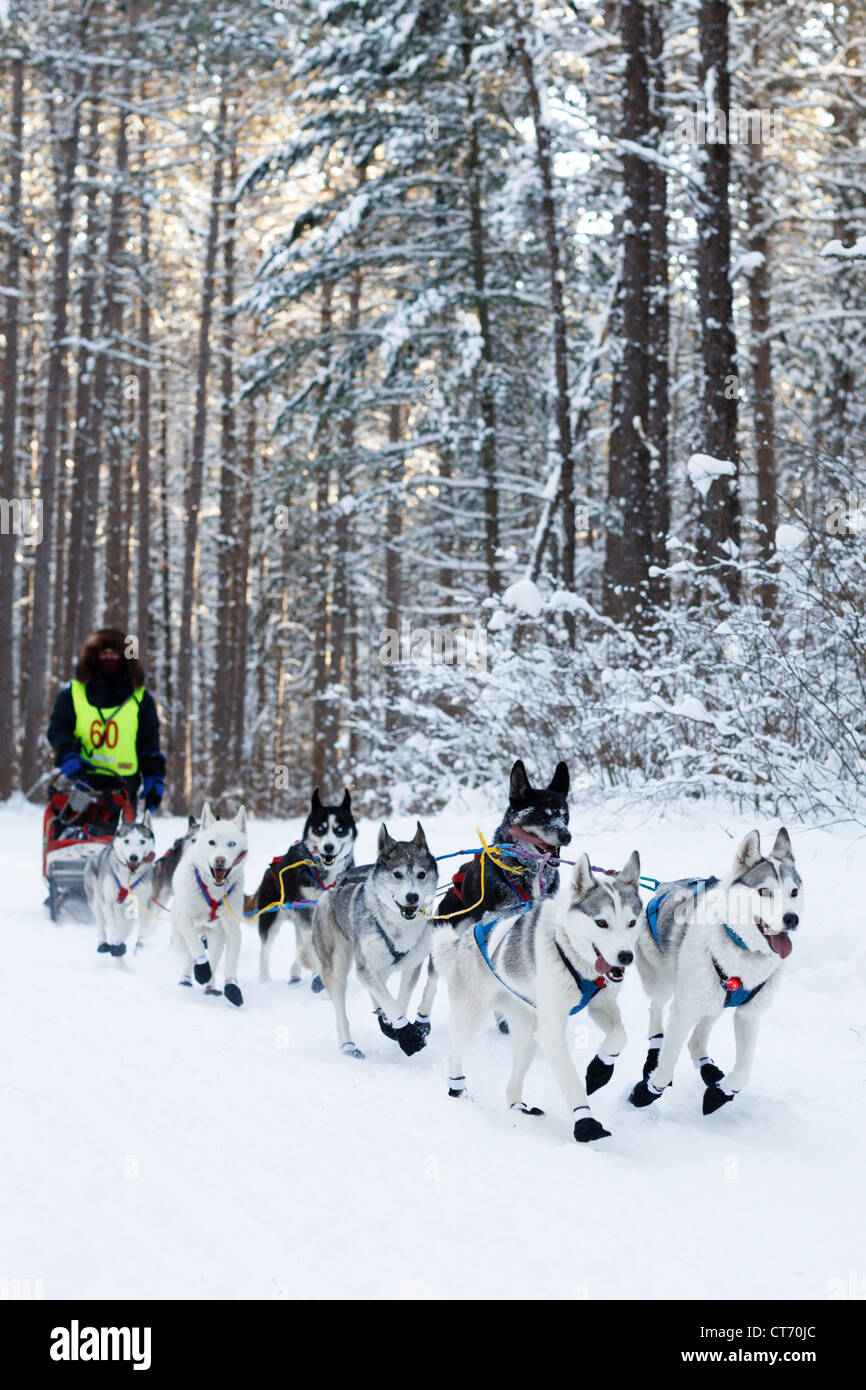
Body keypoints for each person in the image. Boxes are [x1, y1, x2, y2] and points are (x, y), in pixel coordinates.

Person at [47, 627, 166, 818]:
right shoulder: (73, 694)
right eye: (104, 653)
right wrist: (68, 756)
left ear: (125, 657)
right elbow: (58, 730)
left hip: (124, 787)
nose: (109, 658)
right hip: (81, 781)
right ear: (93, 657)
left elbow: (149, 744)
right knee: (73, 833)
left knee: (121, 837)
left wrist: (154, 777)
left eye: (114, 653)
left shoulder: (141, 699)